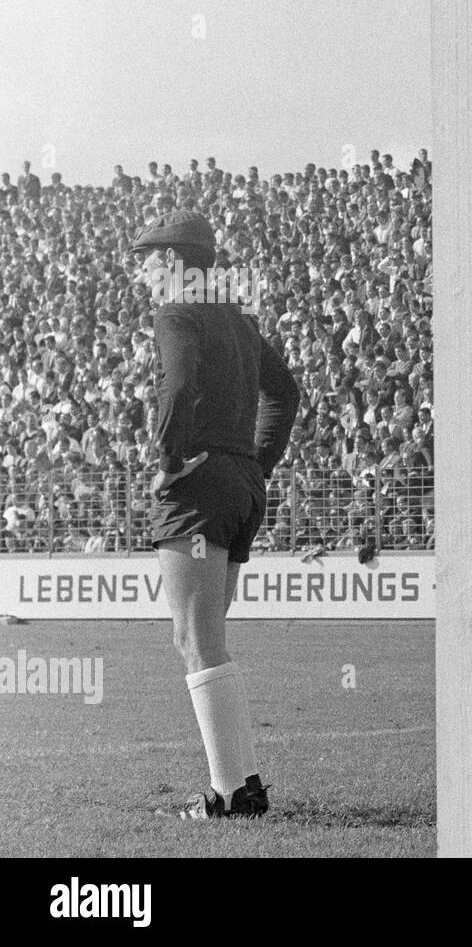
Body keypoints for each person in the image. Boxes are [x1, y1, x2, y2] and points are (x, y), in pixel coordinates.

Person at [132, 210, 300, 819]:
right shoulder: (239, 320)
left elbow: (176, 385)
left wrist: (169, 459)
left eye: (149, 260)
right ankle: (239, 785)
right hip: (240, 486)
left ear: (175, 262)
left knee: (196, 639)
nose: (143, 272)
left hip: (200, 486)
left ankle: (234, 794)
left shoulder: (178, 312)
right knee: (205, 637)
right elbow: (286, 391)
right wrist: (259, 462)